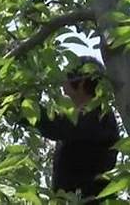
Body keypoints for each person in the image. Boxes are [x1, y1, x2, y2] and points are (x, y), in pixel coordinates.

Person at [19, 56, 119, 204]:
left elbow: (54, 126)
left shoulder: (98, 115)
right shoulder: (87, 116)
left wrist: (22, 103)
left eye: (66, 78)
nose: (62, 84)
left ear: (82, 81)